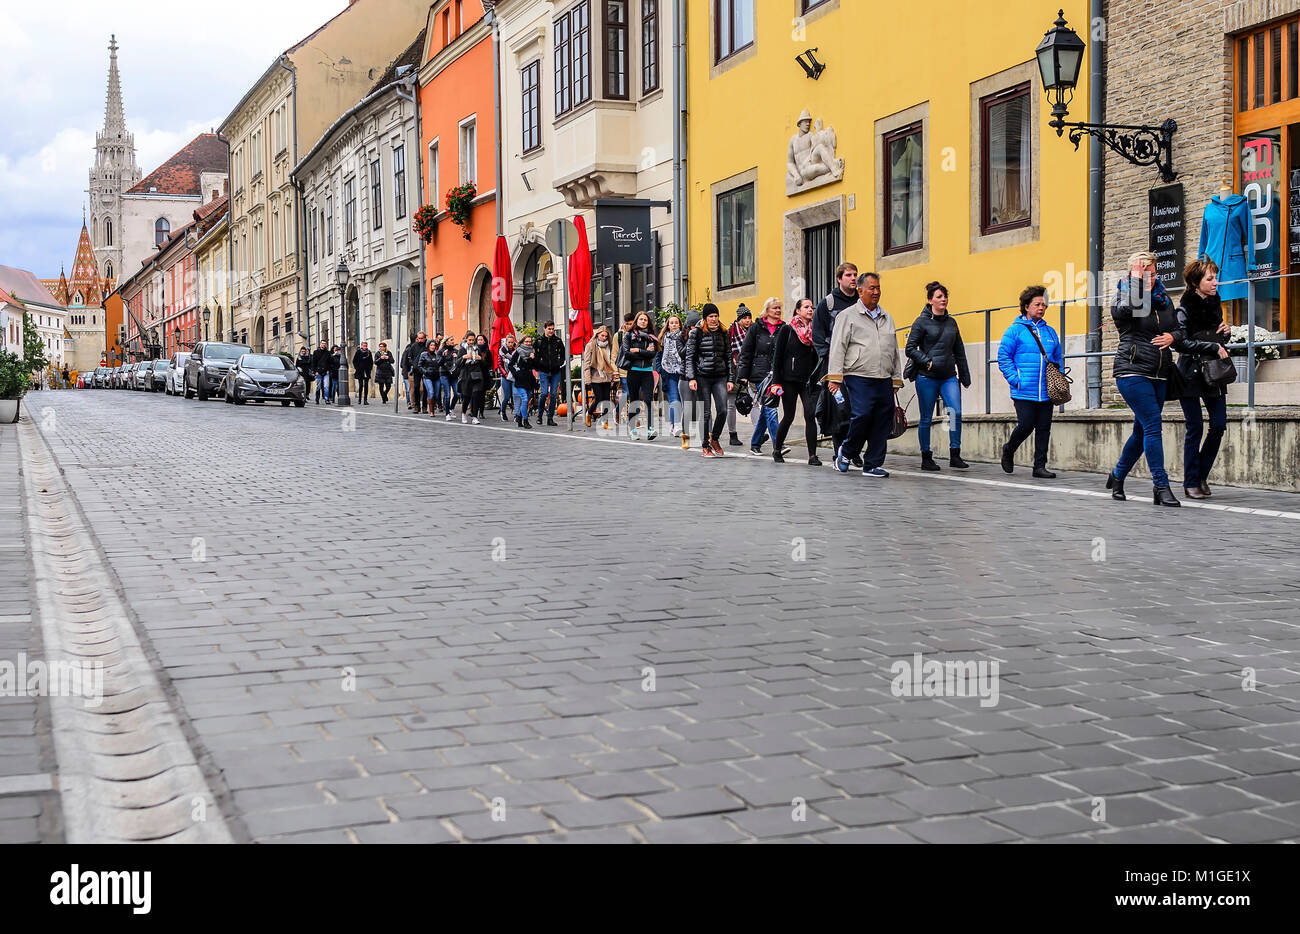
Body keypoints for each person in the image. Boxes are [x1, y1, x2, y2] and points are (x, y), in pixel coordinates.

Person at [1107, 251, 1221, 506]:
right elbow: (1132, 310)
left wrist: (1172, 338)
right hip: (1132, 370)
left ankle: (1117, 475)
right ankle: (1161, 485)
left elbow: (1181, 330)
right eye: (1144, 274)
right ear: (1133, 274)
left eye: (1153, 274)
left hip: (1160, 373)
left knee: (1141, 431)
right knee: (1153, 426)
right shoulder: (1123, 296)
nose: (1150, 279)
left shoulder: (1163, 299)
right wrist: (1137, 282)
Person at [826, 273, 901, 478]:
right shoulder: (848, 316)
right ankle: (846, 452)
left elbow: (893, 349)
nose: (876, 292)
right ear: (860, 291)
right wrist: (834, 377)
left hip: (883, 377)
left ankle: (873, 464)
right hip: (858, 374)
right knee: (863, 415)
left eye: (878, 288)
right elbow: (838, 346)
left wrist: (896, 377)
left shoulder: (887, 317)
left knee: (882, 420)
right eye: (871, 288)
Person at [1176, 259, 1233, 499]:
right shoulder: (1184, 308)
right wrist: (1211, 345)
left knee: (1219, 424)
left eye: (1215, 277)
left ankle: (1201, 475)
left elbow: (1218, 341)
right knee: (1195, 427)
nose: (1215, 282)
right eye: (1209, 279)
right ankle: (1190, 481)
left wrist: (1226, 333)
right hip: (1189, 372)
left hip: (1214, 372)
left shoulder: (1215, 304)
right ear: (1195, 282)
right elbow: (1181, 342)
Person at [997, 285, 1064, 478]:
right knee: (1026, 425)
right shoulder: (1015, 331)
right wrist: (1015, 379)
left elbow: (1057, 358)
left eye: (1044, 305)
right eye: (1037, 304)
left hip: (1046, 391)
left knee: (1044, 428)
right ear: (1026, 306)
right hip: (1024, 389)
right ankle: (1009, 449)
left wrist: (1056, 378)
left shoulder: (1050, 332)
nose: (1041, 308)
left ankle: (1039, 466)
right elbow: (1004, 357)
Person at [905, 281, 971, 471]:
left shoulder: (952, 322)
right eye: (939, 297)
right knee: (926, 417)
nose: (943, 300)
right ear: (930, 300)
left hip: (949, 376)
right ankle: (926, 457)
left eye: (945, 296)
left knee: (955, 413)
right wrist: (926, 361)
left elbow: (959, 351)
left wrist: (965, 377)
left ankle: (955, 454)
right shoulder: (921, 322)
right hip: (927, 376)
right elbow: (910, 348)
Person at [813, 263, 862, 466]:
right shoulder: (829, 303)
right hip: (834, 366)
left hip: (858, 365)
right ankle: (838, 450)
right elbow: (818, 334)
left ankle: (854, 450)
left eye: (855, 275)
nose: (853, 278)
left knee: (857, 409)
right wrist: (828, 358)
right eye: (849, 275)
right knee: (839, 407)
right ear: (839, 279)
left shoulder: (862, 302)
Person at [769, 298, 822, 465]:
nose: (810, 309)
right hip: (788, 380)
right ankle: (777, 449)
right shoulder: (787, 329)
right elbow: (777, 358)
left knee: (810, 414)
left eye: (811, 307)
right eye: (806, 307)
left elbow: (816, 357)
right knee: (789, 416)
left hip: (806, 380)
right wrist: (776, 382)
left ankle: (812, 456)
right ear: (798, 311)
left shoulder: (815, 331)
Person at [684, 303, 735, 457]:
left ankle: (715, 439)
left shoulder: (723, 332)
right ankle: (705, 446)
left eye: (716, 316)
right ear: (705, 318)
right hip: (702, 377)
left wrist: (731, 378)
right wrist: (691, 378)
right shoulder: (697, 333)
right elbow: (690, 357)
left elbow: (728, 356)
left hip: (720, 376)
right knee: (705, 413)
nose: (714, 319)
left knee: (723, 410)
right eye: (711, 317)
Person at [738, 297, 787, 457]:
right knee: (771, 408)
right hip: (759, 375)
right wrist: (743, 375)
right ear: (767, 311)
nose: (778, 311)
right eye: (774, 308)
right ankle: (778, 444)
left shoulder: (784, 328)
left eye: (779, 308)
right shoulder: (756, 328)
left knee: (767, 409)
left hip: (777, 375)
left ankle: (755, 443)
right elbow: (746, 352)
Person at [620, 311, 660, 441]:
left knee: (648, 400)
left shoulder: (651, 337)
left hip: (647, 372)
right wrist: (644, 352)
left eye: (645, 320)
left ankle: (650, 430)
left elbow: (652, 354)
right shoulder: (628, 335)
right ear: (636, 321)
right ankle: (632, 430)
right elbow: (627, 354)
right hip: (633, 372)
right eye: (641, 319)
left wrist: (637, 350)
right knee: (634, 401)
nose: (643, 321)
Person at [655, 314, 687, 437]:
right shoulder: (662, 339)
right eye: (671, 323)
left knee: (680, 400)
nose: (674, 325)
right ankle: (676, 425)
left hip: (682, 372)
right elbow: (658, 357)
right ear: (668, 325)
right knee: (674, 399)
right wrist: (660, 369)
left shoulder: (684, 337)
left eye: (676, 323)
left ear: (680, 324)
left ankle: (673, 424)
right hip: (668, 372)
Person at [726, 305, 752, 446]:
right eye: (744, 318)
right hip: (734, 371)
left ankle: (758, 434)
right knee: (731, 404)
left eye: (749, 318)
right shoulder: (730, 331)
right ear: (739, 319)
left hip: (749, 370)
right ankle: (732, 434)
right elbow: (727, 350)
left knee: (754, 402)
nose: (747, 321)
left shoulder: (753, 330)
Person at [582, 325, 618, 429]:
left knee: (606, 399)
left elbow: (611, 362)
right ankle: (589, 413)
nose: (604, 338)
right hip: (595, 376)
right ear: (597, 334)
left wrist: (612, 376)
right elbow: (587, 363)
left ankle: (605, 422)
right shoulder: (590, 345)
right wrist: (587, 379)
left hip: (606, 376)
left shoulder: (609, 346)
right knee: (599, 399)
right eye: (602, 335)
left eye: (606, 336)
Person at [534, 320, 566, 427]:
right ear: (544, 329)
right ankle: (539, 416)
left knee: (553, 395)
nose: (551, 331)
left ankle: (550, 418)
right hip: (543, 371)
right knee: (543, 393)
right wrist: (538, 366)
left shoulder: (557, 341)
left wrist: (559, 363)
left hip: (555, 371)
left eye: (553, 329)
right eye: (549, 329)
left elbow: (563, 354)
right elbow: (534, 355)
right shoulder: (538, 341)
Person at [456, 331, 489, 424]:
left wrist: (481, 359)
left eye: (473, 340)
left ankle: (475, 416)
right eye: (469, 340)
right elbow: (457, 364)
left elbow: (485, 364)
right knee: (466, 396)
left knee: (476, 395)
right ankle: (463, 413)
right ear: (466, 339)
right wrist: (464, 357)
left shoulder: (476, 349)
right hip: (466, 375)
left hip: (476, 375)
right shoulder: (462, 349)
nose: (471, 342)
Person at [508, 334, 538, 429]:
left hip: (529, 378)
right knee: (524, 399)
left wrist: (533, 359)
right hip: (520, 378)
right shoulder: (518, 351)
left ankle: (519, 418)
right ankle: (525, 421)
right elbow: (510, 365)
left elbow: (534, 366)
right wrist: (516, 374)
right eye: (526, 341)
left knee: (526, 401)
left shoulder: (533, 352)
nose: (528, 343)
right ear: (522, 342)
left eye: (530, 341)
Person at [613, 312, 635, 413]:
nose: (628, 326)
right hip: (624, 370)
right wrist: (615, 371)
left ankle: (634, 417)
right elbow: (614, 354)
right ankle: (617, 410)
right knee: (628, 393)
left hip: (636, 369)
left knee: (636, 394)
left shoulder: (638, 334)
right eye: (627, 324)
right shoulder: (619, 336)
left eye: (630, 323)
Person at [401, 331, 428, 412]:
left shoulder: (427, 345)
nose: (420, 340)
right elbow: (410, 357)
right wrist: (413, 364)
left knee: (425, 388)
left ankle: (424, 406)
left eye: (421, 338)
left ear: (424, 338)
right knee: (416, 387)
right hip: (416, 370)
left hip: (426, 370)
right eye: (418, 338)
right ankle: (417, 406)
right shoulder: (414, 346)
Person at [416, 339, 440, 418]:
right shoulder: (424, 354)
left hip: (436, 377)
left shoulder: (437, 354)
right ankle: (431, 411)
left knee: (436, 395)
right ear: (428, 346)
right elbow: (419, 365)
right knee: (431, 392)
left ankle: (433, 405)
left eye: (434, 345)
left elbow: (441, 363)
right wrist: (425, 371)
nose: (433, 347)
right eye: (431, 345)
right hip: (427, 377)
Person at [497, 333, 519, 422]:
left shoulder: (516, 351)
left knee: (516, 395)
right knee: (507, 396)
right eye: (509, 342)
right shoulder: (501, 351)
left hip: (514, 375)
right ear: (506, 342)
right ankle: (503, 412)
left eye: (512, 342)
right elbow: (499, 364)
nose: (510, 344)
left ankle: (516, 414)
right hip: (505, 376)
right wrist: (505, 374)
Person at [438, 336, 458, 418]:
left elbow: (459, 363)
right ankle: (447, 413)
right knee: (448, 395)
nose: (453, 341)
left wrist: (457, 357)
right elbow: (439, 363)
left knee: (457, 394)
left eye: (453, 340)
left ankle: (451, 408)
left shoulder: (456, 351)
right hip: (444, 374)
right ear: (446, 342)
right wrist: (443, 356)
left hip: (454, 374)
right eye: (451, 340)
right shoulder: (441, 351)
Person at [311, 340, 332, 405]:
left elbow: (330, 362)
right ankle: (317, 399)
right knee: (318, 386)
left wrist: (329, 370)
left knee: (326, 386)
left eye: (325, 344)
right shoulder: (316, 352)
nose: (323, 345)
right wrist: (315, 371)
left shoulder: (328, 353)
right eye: (322, 343)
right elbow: (313, 363)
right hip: (318, 371)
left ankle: (326, 399)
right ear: (320, 344)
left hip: (326, 372)